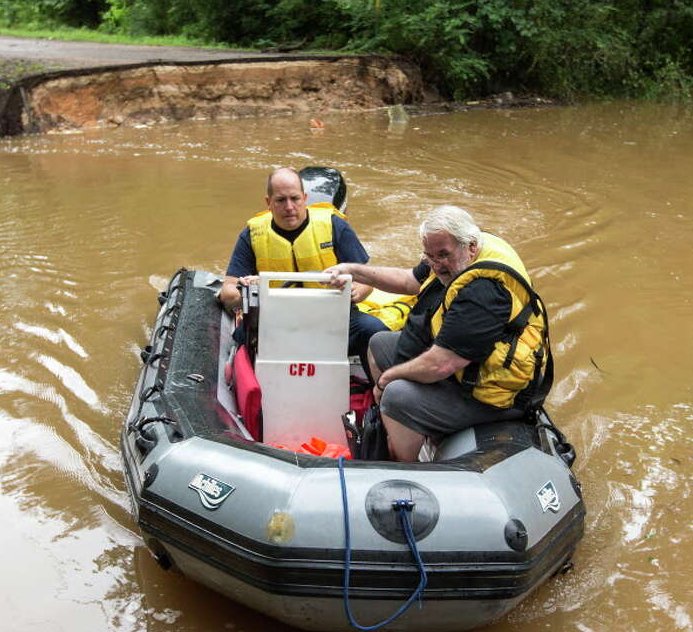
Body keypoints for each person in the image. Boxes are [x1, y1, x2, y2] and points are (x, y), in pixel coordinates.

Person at [325, 205, 551, 461]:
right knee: (379, 343)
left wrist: (386, 380)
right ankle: (400, 429)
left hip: (493, 395)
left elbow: (441, 364)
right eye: (430, 257)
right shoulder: (456, 254)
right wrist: (353, 271)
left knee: (396, 394)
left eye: (443, 256)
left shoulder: (482, 293)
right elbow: (410, 281)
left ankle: (404, 466)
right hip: (469, 368)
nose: (436, 266)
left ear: (472, 247)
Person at [219, 167, 387, 362]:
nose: (289, 207)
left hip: (335, 317)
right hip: (275, 321)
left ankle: (379, 389)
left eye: (295, 198)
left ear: (305, 198)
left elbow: (368, 279)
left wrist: (358, 291)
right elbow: (228, 291)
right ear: (269, 203)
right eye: (281, 200)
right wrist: (246, 290)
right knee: (241, 339)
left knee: (376, 333)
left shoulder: (335, 226)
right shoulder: (252, 234)